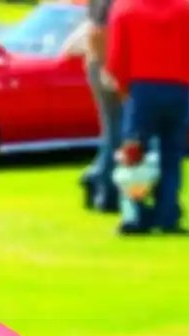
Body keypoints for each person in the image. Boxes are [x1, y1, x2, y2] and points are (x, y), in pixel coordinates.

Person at [106, 0, 189, 234]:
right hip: (179, 87)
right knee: (171, 156)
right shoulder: (185, 9)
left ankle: (134, 214)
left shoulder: (125, 8)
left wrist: (123, 89)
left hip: (142, 87)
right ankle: (167, 215)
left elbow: (117, 55)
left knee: (133, 154)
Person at [72, 0, 123, 213]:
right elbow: (97, 31)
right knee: (116, 132)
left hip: (105, 63)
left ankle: (95, 176)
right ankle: (107, 192)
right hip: (107, 65)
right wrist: (106, 68)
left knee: (114, 132)